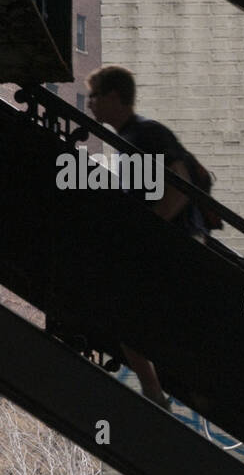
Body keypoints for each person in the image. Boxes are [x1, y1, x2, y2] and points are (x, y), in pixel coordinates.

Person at [85, 64, 207, 411]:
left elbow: (179, 185)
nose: (90, 103)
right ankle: (161, 392)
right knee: (132, 316)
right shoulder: (127, 141)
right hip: (164, 246)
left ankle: (167, 391)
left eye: (94, 96)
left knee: (135, 314)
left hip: (172, 246)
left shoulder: (147, 135)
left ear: (113, 97)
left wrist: (148, 230)